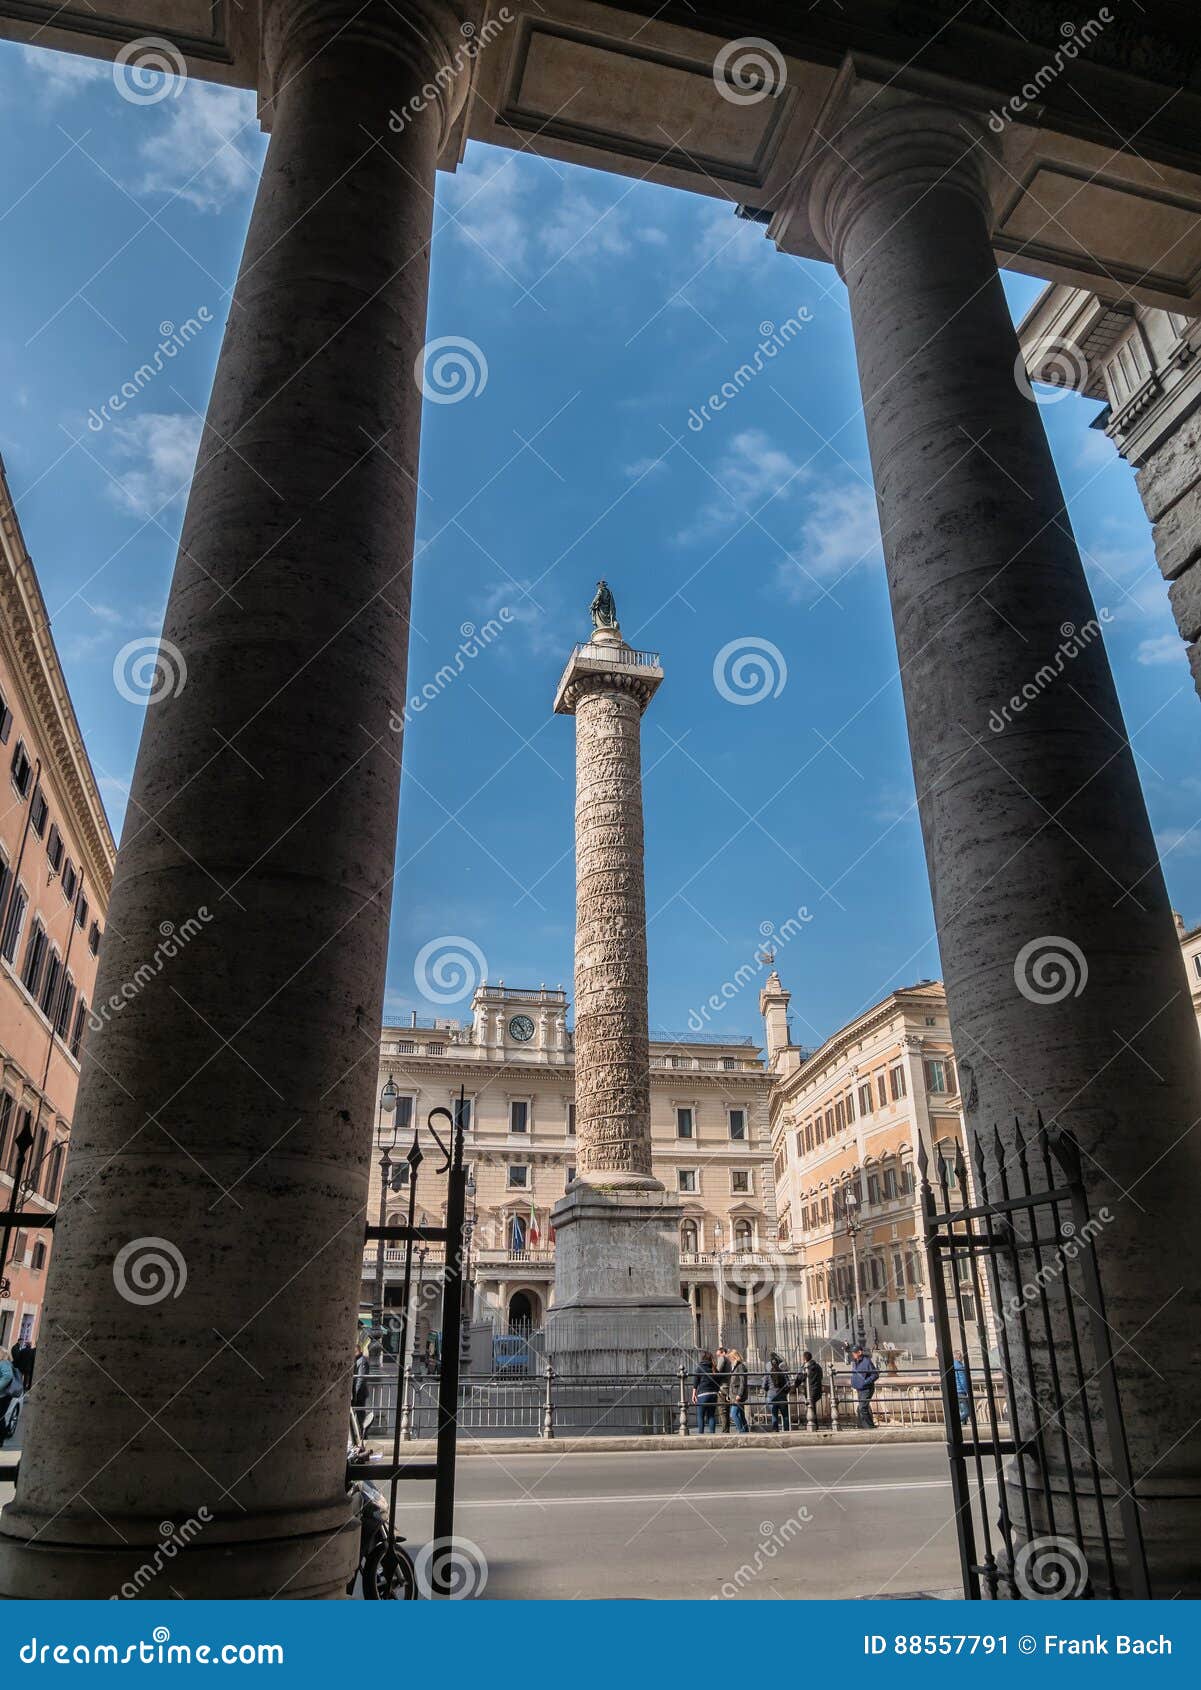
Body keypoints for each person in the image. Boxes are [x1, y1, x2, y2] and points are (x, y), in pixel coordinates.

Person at [850, 1345, 879, 1429]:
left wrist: (865, 1382)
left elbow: (875, 1375)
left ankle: (870, 1427)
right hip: (859, 1388)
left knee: (862, 1408)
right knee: (862, 1408)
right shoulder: (855, 1362)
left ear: (859, 1352)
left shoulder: (867, 1362)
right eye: (852, 1353)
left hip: (866, 1388)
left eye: (854, 1352)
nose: (853, 1354)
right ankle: (863, 1426)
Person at [0, 1349, 24, 1448]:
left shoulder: (4, 1363)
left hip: (2, 1396)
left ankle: (0, 1440)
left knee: (0, 1418)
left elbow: (7, 1376)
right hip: (5, 1396)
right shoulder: (7, 1363)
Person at [350, 1343, 373, 1446]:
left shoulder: (362, 1361)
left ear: (357, 1351)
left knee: (360, 1415)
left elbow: (361, 1379)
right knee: (357, 1414)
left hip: (359, 1394)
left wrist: (355, 1394)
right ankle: (358, 1435)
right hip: (356, 1393)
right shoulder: (358, 1360)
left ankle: (363, 1435)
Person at [693, 1349, 719, 1434]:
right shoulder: (714, 1368)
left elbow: (695, 1383)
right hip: (713, 1394)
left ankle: (701, 1434)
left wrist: (694, 1395)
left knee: (700, 1416)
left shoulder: (699, 1368)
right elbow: (718, 1381)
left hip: (703, 1394)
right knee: (711, 1416)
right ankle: (712, 1434)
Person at [765, 1352, 791, 1432]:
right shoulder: (783, 1373)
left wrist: (768, 1390)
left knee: (774, 1414)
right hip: (782, 1395)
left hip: (771, 1395)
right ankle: (786, 1430)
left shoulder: (768, 1373)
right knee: (785, 1415)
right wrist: (785, 1392)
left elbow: (764, 1385)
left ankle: (775, 1429)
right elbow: (788, 1384)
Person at [796, 1350, 824, 1422]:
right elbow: (821, 1376)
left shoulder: (806, 1367)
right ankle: (814, 1423)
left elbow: (800, 1378)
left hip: (809, 1391)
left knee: (811, 1407)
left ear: (804, 1359)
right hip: (817, 1389)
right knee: (812, 1407)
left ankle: (812, 1423)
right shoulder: (817, 1366)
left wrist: (795, 1385)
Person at [727, 1348, 749, 1434]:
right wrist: (729, 1394)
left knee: (734, 1414)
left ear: (734, 1357)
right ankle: (745, 1431)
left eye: (730, 1358)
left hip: (737, 1394)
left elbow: (742, 1382)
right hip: (734, 1394)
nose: (730, 1360)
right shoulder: (735, 1366)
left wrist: (739, 1394)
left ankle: (741, 1431)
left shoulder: (740, 1366)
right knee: (740, 1414)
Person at [715, 1345, 732, 1433]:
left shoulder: (722, 1358)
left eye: (718, 1355)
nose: (718, 1357)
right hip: (728, 1386)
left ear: (723, 1353)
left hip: (722, 1387)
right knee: (727, 1410)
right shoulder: (729, 1360)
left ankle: (725, 1430)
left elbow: (717, 1372)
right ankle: (727, 1429)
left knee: (722, 1410)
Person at [953, 1351, 971, 1426]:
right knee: (967, 1411)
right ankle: (954, 1422)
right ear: (959, 1357)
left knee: (962, 1410)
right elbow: (963, 1381)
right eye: (961, 1356)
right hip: (960, 1392)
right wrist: (968, 1391)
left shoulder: (953, 1365)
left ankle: (964, 1424)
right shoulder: (959, 1367)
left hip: (956, 1391)